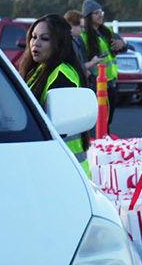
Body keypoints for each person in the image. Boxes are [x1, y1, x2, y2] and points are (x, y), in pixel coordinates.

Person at [19, 14, 90, 174]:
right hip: (49, 167)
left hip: (67, 171)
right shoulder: (39, 69)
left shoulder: (62, 74)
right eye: (33, 37)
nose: (35, 43)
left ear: (59, 43)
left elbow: (55, 127)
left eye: (44, 39)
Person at [80, 0, 128, 127]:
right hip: (97, 84)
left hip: (111, 81)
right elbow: (83, 60)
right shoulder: (84, 36)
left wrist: (122, 44)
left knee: (108, 120)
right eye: (96, 13)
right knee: (100, 120)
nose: (101, 15)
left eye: (101, 12)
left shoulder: (105, 31)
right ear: (88, 17)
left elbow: (124, 47)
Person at [63, 10, 93, 87]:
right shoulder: (65, 43)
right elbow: (72, 66)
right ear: (70, 25)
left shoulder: (75, 40)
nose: (83, 30)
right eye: (81, 27)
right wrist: (92, 63)